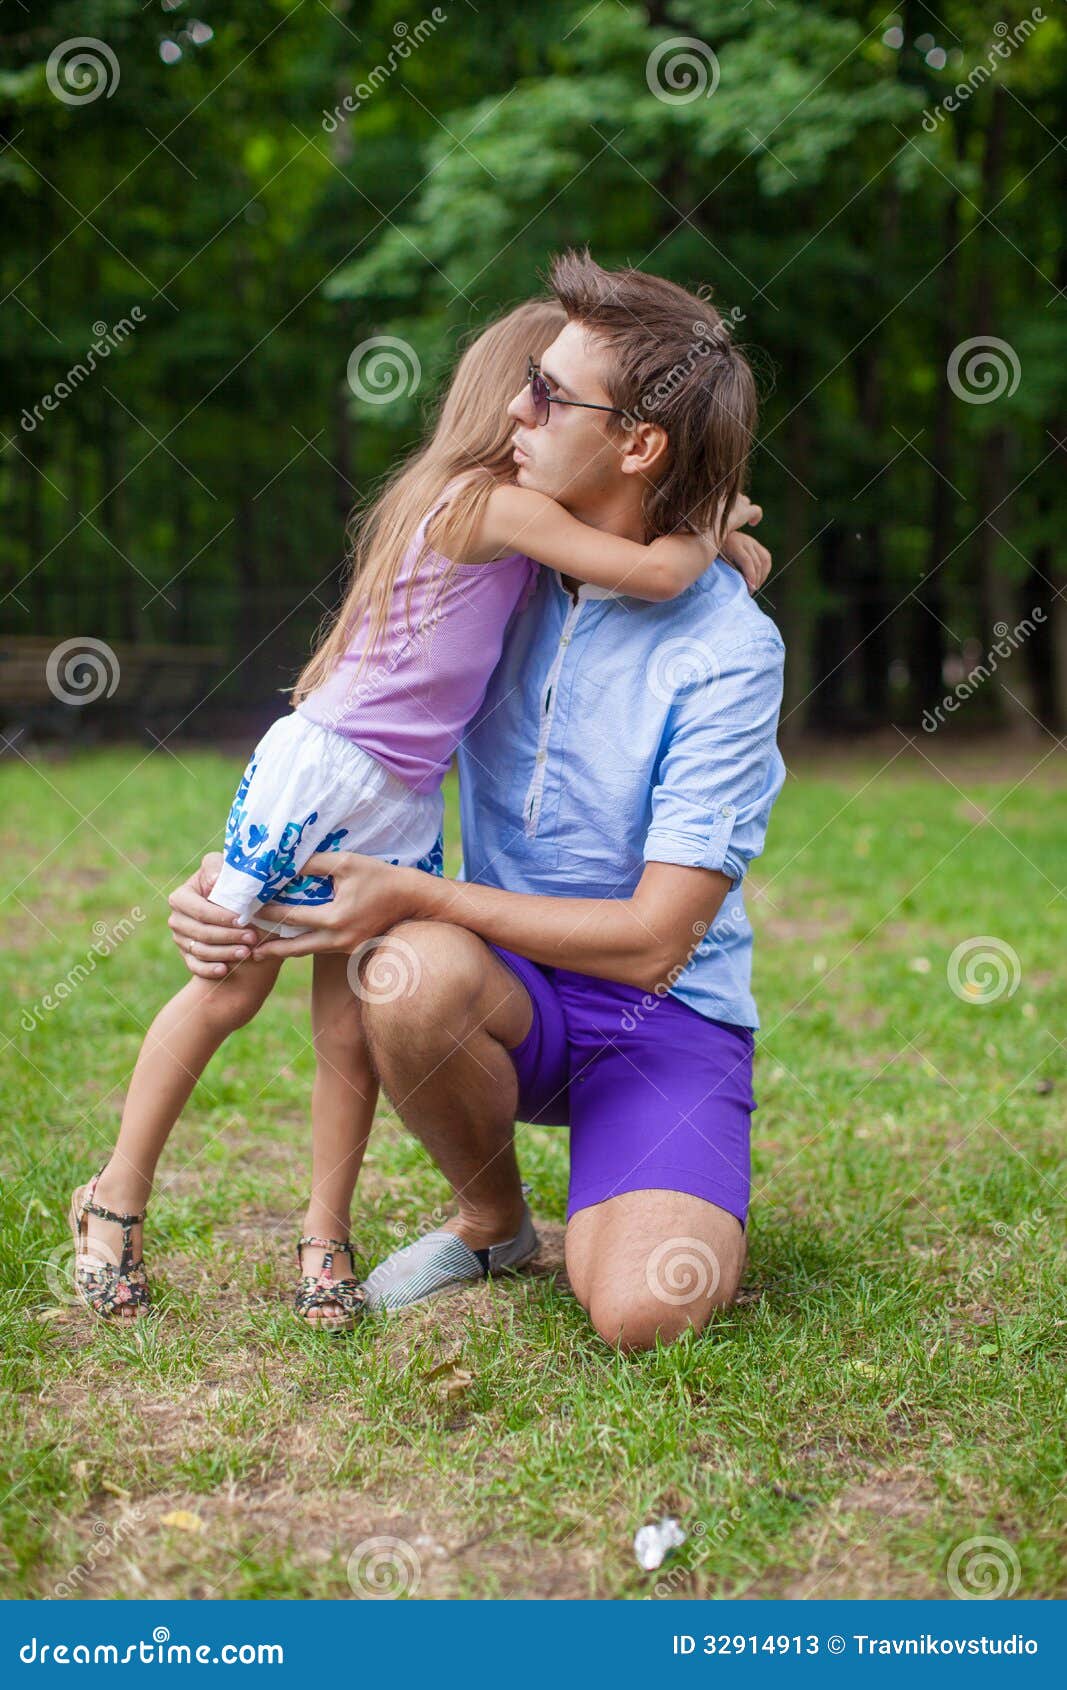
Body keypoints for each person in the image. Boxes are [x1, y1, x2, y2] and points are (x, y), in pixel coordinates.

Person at [69, 293, 768, 1332]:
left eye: (550, 394)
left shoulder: (721, 645)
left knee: (641, 1313)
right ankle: (485, 1221)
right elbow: (360, 710)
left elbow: (655, 940)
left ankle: (344, 1230)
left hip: (659, 1013)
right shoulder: (509, 556)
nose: (522, 413)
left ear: (637, 444)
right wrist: (228, 871)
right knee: (357, 975)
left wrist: (711, 541)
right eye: (522, 387)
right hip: (495, 969)